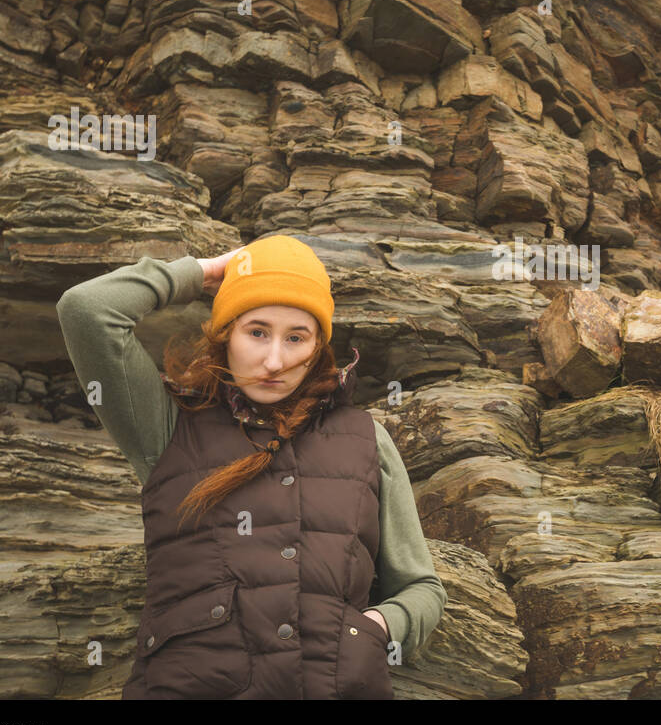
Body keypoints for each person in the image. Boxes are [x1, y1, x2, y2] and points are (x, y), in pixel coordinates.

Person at [56, 234, 446, 698]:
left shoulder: (365, 438)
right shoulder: (167, 425)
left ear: (318, 346)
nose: (274, 360)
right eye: (257, 331)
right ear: (225, 334)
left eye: (296, 337)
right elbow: (86, 309)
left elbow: (421, 587)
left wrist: (375, 629)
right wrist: (200, 272)